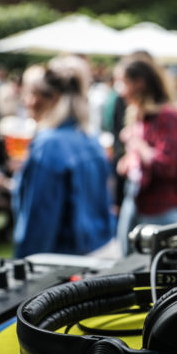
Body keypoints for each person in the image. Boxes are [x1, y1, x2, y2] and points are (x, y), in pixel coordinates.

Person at [13, 56, 114, 258]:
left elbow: (39, 222)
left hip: (66, 264)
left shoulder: (49, 145)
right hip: (100, 252)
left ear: (52, 97)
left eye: (32, 93)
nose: (26, 101)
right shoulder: (90, 137)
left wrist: (26, 265)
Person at [114, 56, 177, 255]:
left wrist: (136, 144)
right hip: (136, 200)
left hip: (160, 209)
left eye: (123, 82)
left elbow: (167, 165)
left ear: (139, 83)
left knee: (155, 274)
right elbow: (142, 160)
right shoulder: (139, 114)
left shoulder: (167, 116)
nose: (119, 90)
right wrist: (128, 161)